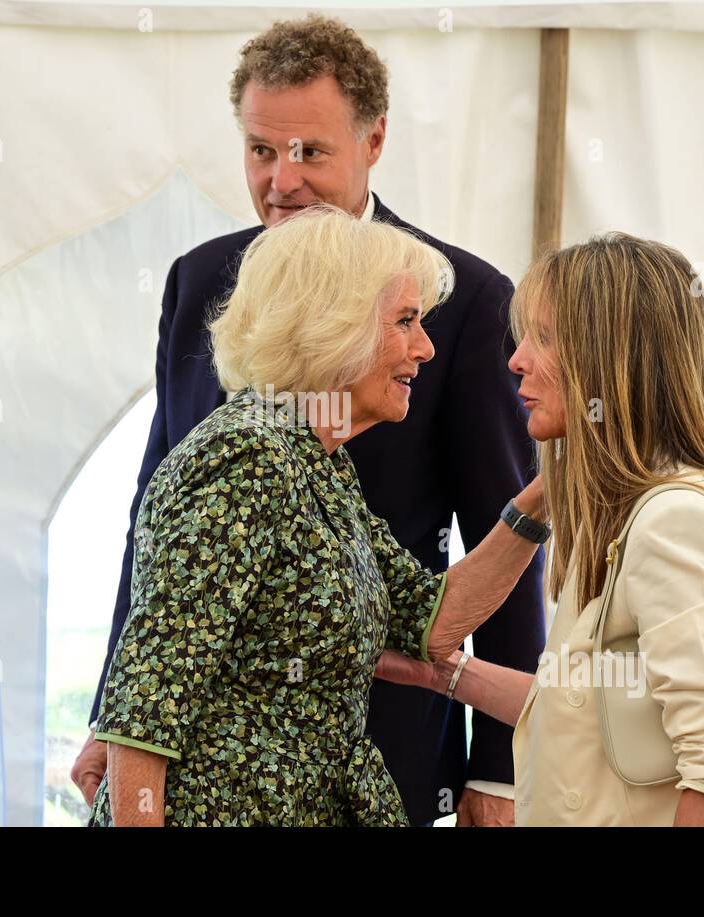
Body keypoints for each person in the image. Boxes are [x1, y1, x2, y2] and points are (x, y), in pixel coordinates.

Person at [73, 13, 543, 827]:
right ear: (334, 329)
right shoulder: (229, 396)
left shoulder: (331, 440)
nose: (281, 181)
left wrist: (495, 770)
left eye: (310, 153)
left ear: (373, 141)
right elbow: (153, 558)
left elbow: (437, 608)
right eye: (261, 151)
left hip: (370, 772)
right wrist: (111, 730)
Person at [378, 232, 704, 826]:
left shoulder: (673, 523)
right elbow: (587, 712)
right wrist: (445, 672)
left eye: (544, 337)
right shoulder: (627, 516)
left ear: (614, 358)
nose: (516, 358)